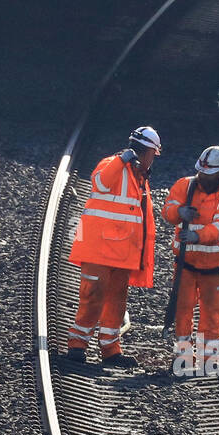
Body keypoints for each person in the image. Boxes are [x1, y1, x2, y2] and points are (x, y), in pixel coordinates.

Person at [65, 126, 161, 368]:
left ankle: (110, 349)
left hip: (122, 253)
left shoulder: (140, 177)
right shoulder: (113, 165)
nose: (153, 160)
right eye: (153, 154)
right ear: (147, 151)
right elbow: (99, 182)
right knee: (92, 296)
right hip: (98, 249)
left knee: (117, 302)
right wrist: (121, 160)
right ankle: (77, 345)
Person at [161, 146, 219, 371]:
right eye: (201, 173)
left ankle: (209, 361)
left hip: (213, 268)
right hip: (185, 264)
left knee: (212, 313)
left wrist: (197, 236)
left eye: (209, 175)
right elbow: (167, 210)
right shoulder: (184, 186)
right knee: (183, 309)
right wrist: (179, 212)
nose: (203, 178)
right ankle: (183, 358)